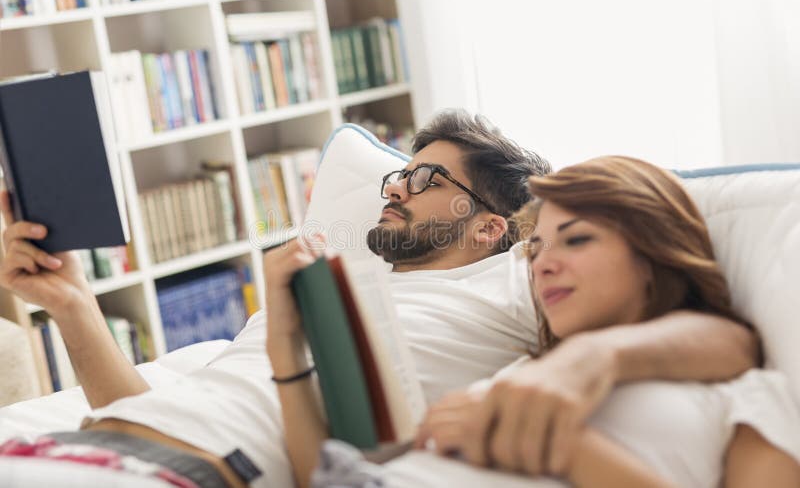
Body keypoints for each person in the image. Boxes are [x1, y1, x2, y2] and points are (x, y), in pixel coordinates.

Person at [0, 111, 756, 488]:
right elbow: (156, 409)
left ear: (490, 226)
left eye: (425, 180)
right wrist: (73, 306)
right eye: (398, 176)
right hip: (74, 447)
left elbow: (721, 335)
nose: (395, 188)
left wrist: (587, 363)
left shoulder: (520, 276)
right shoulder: (318, 291)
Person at [404, 156, 800, 488]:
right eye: (535, 252)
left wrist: (567, 447)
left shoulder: (747, 396)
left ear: (654, 253)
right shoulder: (526, 371)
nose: (542, 265)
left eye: (577, 240)